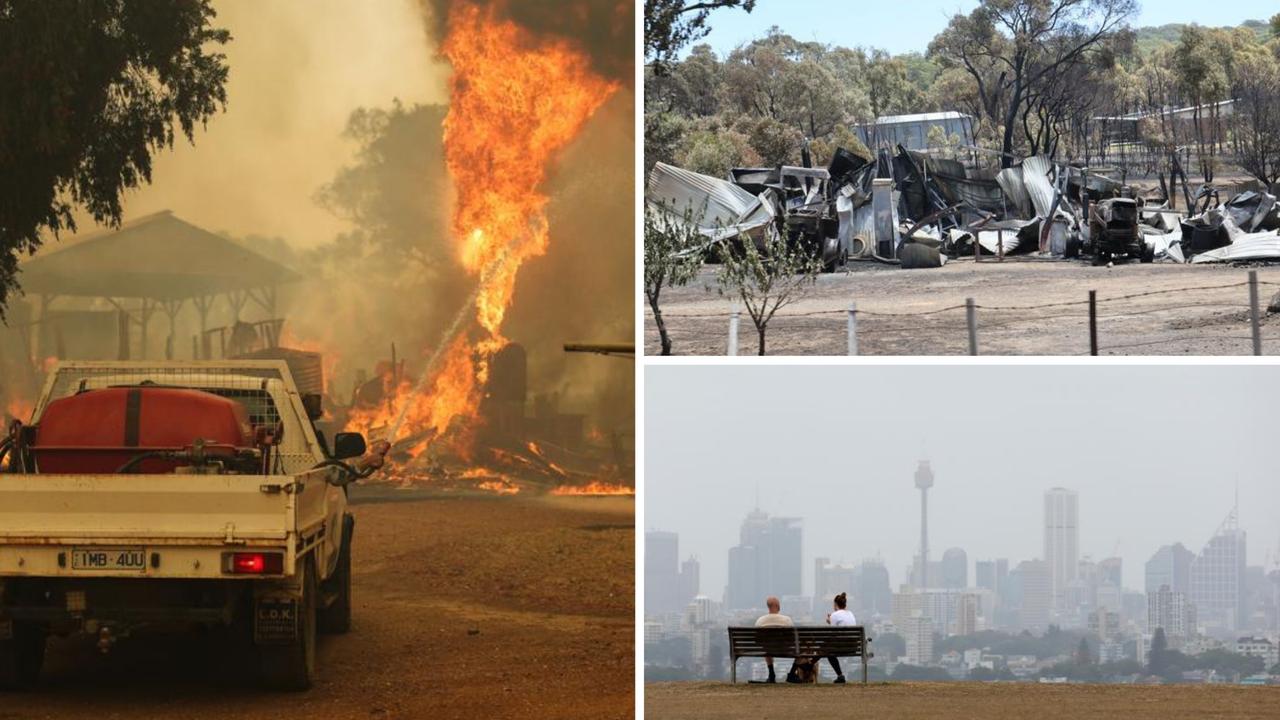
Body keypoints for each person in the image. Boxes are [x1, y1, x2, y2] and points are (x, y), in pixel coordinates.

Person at [754, 596, 792, 683]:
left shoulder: (760, 621)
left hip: (768, 649)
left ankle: (771, 674)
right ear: (778, 606)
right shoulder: (786, 620)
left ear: (768, 606)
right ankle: (792, 673)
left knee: (766, 645)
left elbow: (757, 640)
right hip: (784, 649)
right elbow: (791, 638)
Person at [824, 592, 857, 684]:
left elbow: (833, 633)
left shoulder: (834, 615)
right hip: (853, 647)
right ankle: (809, 664)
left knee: (827, 651)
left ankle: (840, 675)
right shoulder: (851, 613)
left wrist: (830, 621)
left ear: (835, 604)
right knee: (826, 648)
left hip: (841, 647)